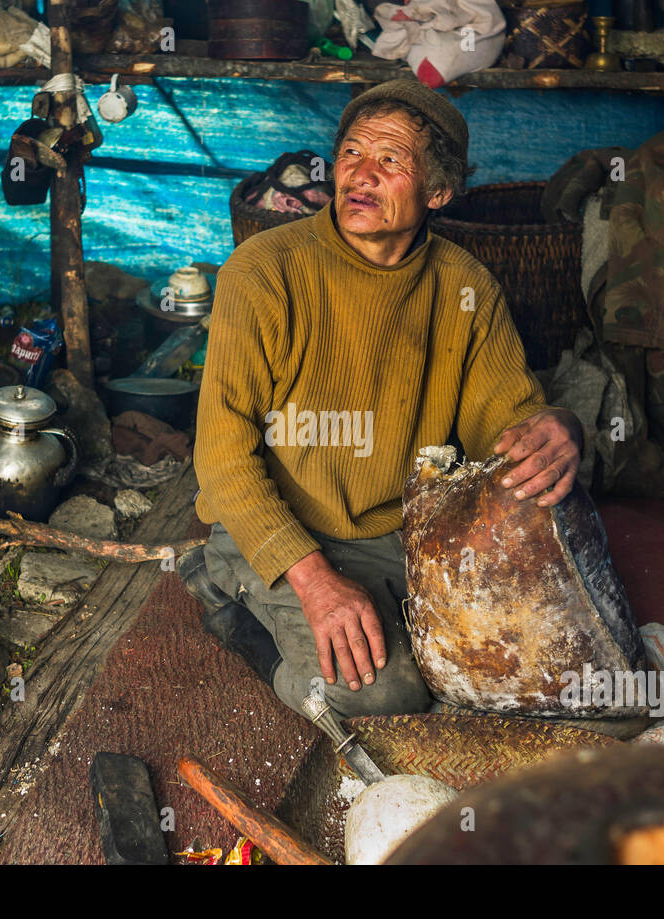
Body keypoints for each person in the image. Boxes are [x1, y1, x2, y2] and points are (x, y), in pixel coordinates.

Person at [180, 80, 583, 720]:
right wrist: (312, 581)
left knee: (539, 671)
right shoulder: (265, 269)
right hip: (278, 528)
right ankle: (230, 598)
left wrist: (556, 428)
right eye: (351, 154)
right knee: (387, 698)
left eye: (390, 160)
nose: (361, 176)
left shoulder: (464, 284)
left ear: (439, 191)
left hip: (399, 532)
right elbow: (224, 457)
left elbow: (504, 425)